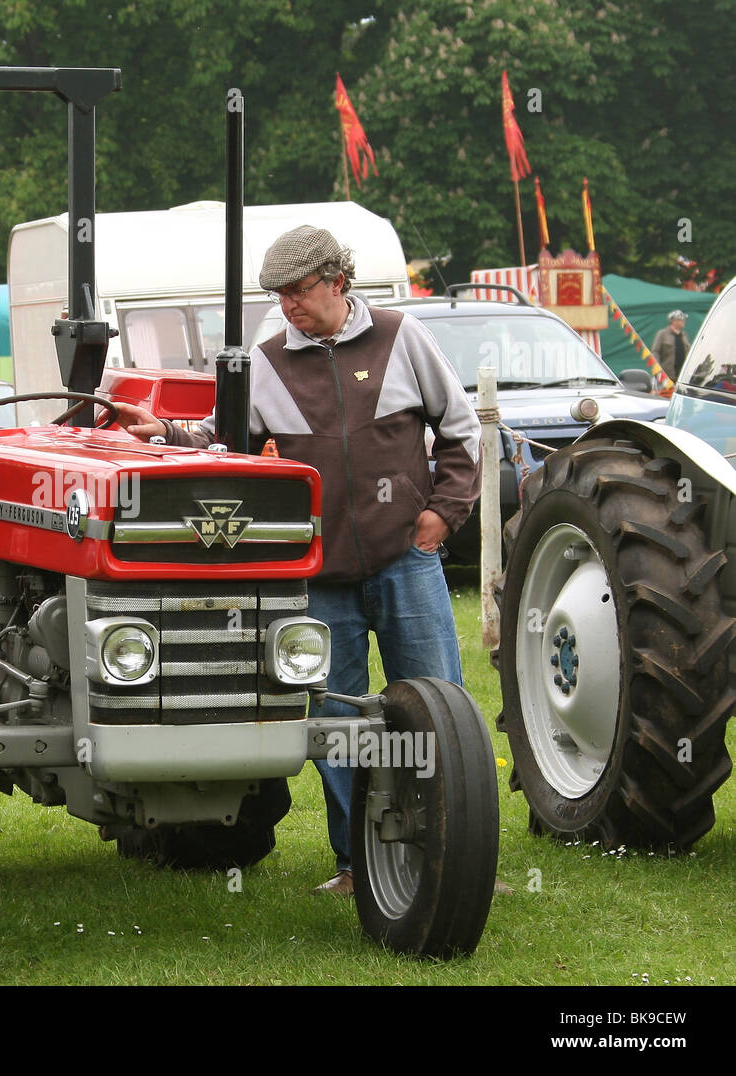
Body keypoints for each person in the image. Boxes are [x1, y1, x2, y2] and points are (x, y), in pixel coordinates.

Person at [110, 224, 482, 895]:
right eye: (278, 295)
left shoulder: (404, 337)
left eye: (299, 291)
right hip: (320, 578)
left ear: (338, 282)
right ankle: (355, 863)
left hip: (406, 561)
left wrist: (441, 515)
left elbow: (460, 429)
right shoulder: (269, 358)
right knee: (336, 726)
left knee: (436, 710)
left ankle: (455, 856)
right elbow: (227, 437)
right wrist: (167, 433)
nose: (288, 306)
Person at [651, 310, 691, 383]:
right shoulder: (662, 334)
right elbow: (655, 352)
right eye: (681, 320)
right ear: (674, 321)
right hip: (668, 376)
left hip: (682, 376)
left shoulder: (684, 335)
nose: (684, 321)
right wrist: (658, 370)